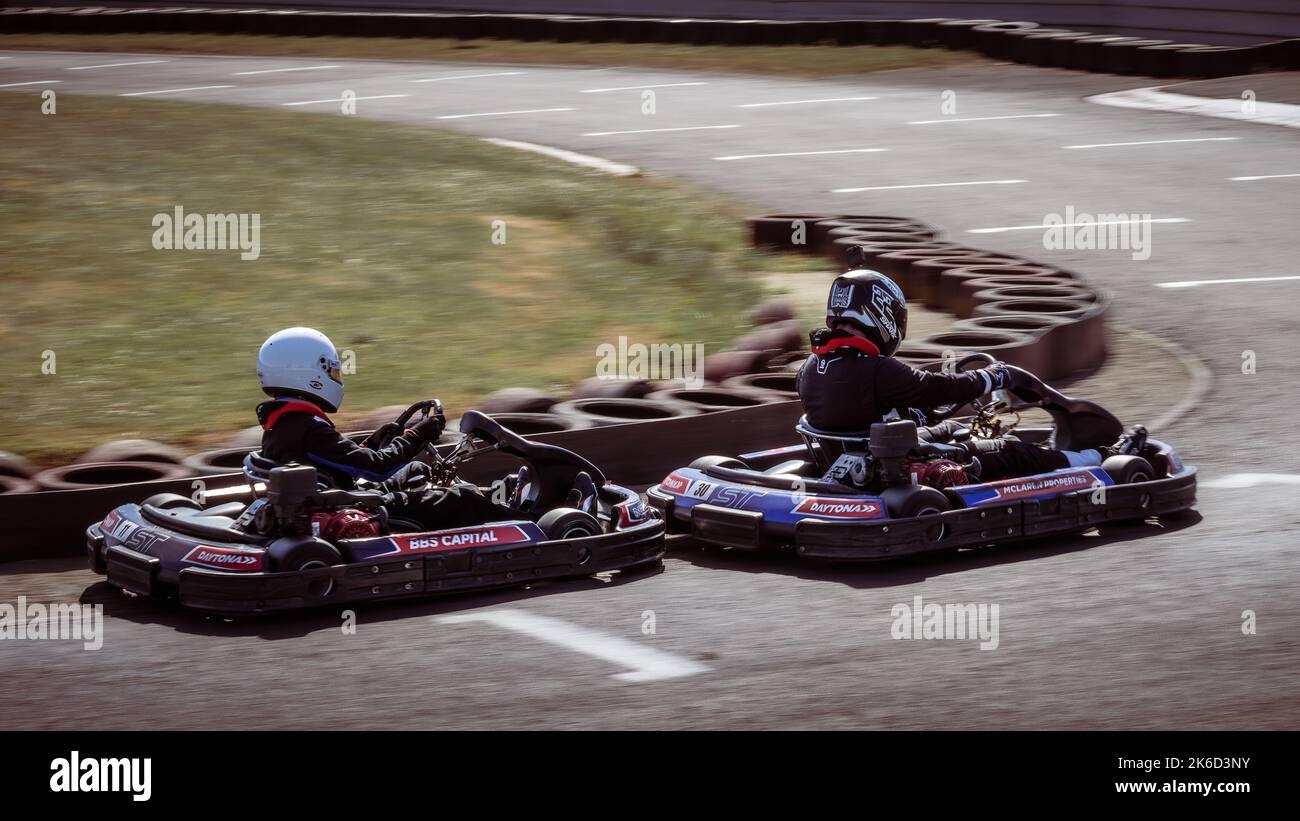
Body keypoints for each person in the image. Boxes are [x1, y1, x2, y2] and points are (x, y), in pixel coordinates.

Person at [797, 268, 1112, 481]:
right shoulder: (876, 368)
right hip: (891, 468)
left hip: (852, 457)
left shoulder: (810, 367)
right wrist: (995, 376)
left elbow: (863, 403)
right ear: (881, 313)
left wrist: (918, 410)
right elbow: (937, 388)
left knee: (953, 426)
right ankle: (1090, 462)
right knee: (1010, 451)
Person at [254, 327, 517, 530]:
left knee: (417, 470)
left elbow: (340, 461)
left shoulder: (284, 422)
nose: (337, 378)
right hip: (350, 508)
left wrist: (374, 442)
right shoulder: (307, 427)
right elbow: (377, 469)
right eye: (333, 372)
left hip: (337, 496)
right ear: (311, 374)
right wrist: (417, 436)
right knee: (461, 499)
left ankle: (492, 498)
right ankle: (523, 522)